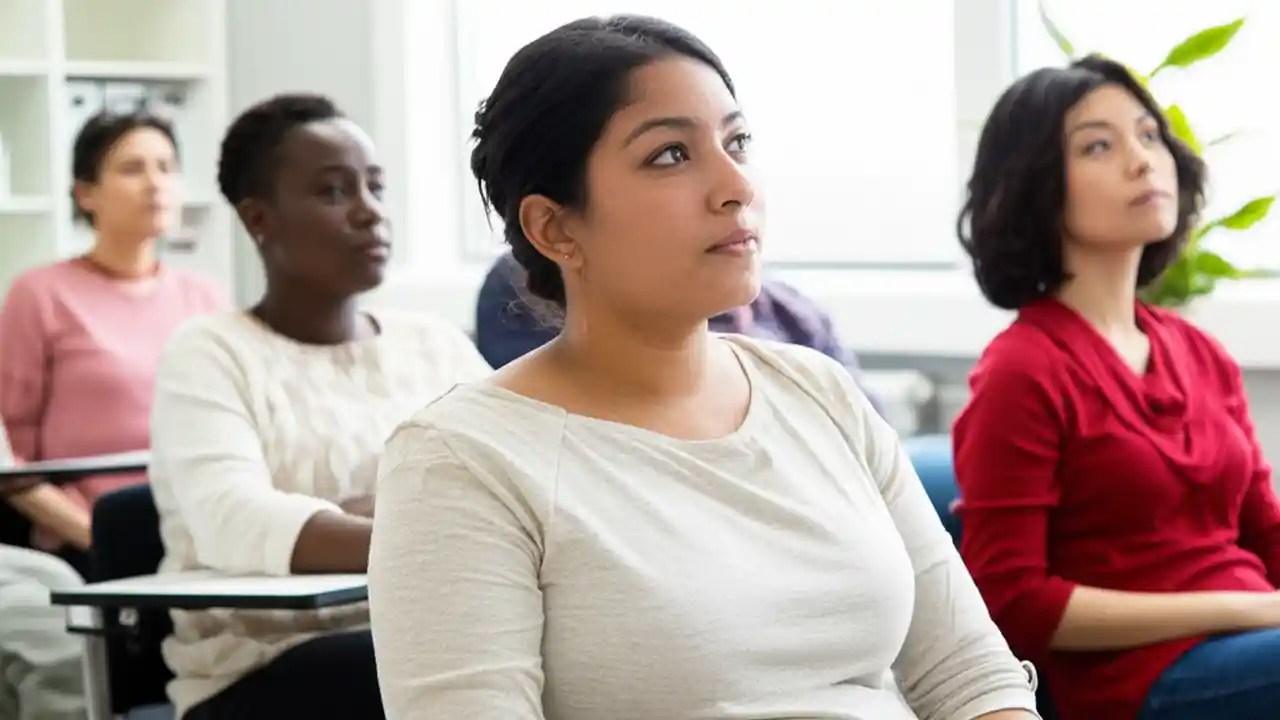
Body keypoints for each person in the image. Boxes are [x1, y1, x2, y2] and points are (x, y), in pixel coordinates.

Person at [368, 15, 1038, 720]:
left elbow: (969, 677)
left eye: (737, 141)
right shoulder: (461, 460)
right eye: (669, 156)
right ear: (555, 228)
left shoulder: (819, 393)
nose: (735, 184)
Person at [953, 55, 1280, 720]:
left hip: (1253, 642)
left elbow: (1263, 528)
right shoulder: (1022, 370)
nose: (1141, 160)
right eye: (1098, 145)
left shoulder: (1198, 352)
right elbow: (1011, 601)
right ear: (1036, 185)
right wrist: (1248, 606)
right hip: (1140, 682)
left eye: (1149, 135)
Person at [147, 94, 491, 720]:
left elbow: (513, 480)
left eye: (376, 187)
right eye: (334, 192)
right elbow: (234, 520)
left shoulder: (434, 345)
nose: (369, 212)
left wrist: (352, 520)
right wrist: (426, 525)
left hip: (429, 636)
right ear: (260, 219)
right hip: (258, 667)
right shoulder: (210, 353)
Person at [0, 111, 224, 574]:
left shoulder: (205, 298)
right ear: (86, 194)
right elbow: (11, 460)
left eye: (166, 167)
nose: (155, 183)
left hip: (198, 535)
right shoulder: (40, 294)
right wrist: (94, 535)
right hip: (88, 540)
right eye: (132, 169)